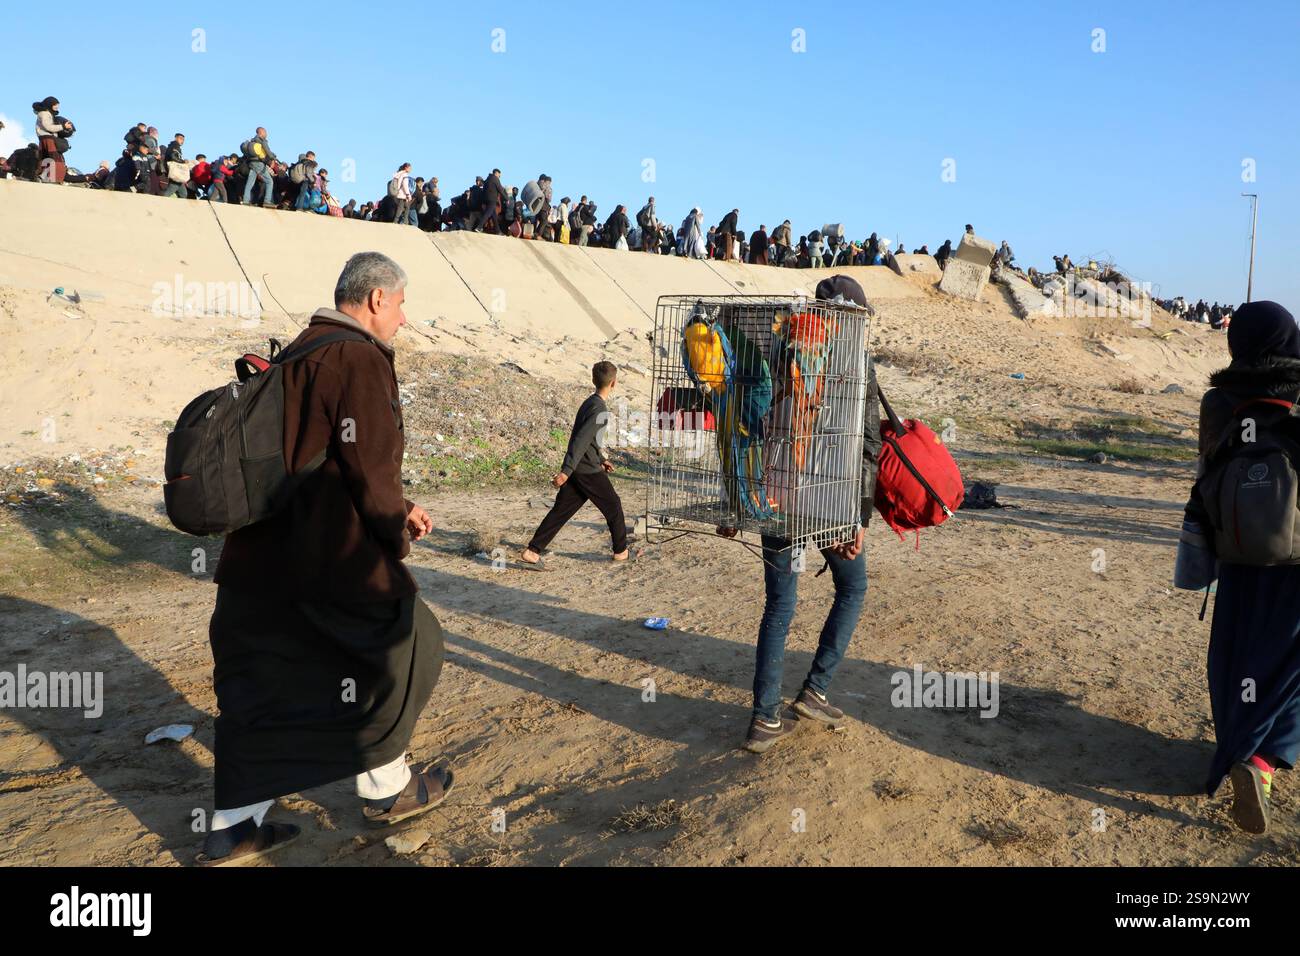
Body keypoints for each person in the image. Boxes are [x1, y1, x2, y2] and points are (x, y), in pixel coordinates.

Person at [196, 252, 451, 865]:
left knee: (264, 684)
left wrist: (400, 504)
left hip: (257, 561)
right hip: (330, 560)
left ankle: (233, 826)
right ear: (373, 300)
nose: (404, 320)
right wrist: (395, 532)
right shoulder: (356, 356)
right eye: (401, 304)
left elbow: (323, 452)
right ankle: (386, 788)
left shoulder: (299, 351)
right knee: (410, 647)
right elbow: (369, 466)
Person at [729, 275, 881, 754]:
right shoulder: (856, 364)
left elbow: (745, 424)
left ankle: (764, 719)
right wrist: (857, 518)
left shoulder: (780, 349)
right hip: (829, 501)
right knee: (852, 587)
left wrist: (738, 498)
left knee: (780, 605)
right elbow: (867, 447)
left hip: (777, 492)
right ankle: (815, 690)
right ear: (853, 318)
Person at [1181, 300, 1300, 834]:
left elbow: (1207, 471)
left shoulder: (1218, 401)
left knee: (1236, 654)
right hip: (1296, 559)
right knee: (1289, 665)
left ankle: (1238, 741)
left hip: (1236, 553)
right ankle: (1261, 760)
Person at [521, 362, 629, 568]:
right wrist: (566, 471)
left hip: (583, 466)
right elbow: (580, 441)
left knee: (561, 510)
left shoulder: (590, 402)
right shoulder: (600, 409)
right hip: (586, 471)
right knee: (613, 506)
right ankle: (621, 551)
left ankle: (532, 551)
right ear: (614, 383)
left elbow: (589, 440)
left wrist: (601, 458)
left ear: (592, 380)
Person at [241, 127, 277, 206]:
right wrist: (273, 159)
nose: (266, 134)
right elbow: (267, 151)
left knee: (250, 182)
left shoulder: (252, 140)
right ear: (261, 132)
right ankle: (267, 201)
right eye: (265, 132)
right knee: (269, 181)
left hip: (251, 162)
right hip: (258, 163)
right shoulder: (261, 140)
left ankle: (246, 200)